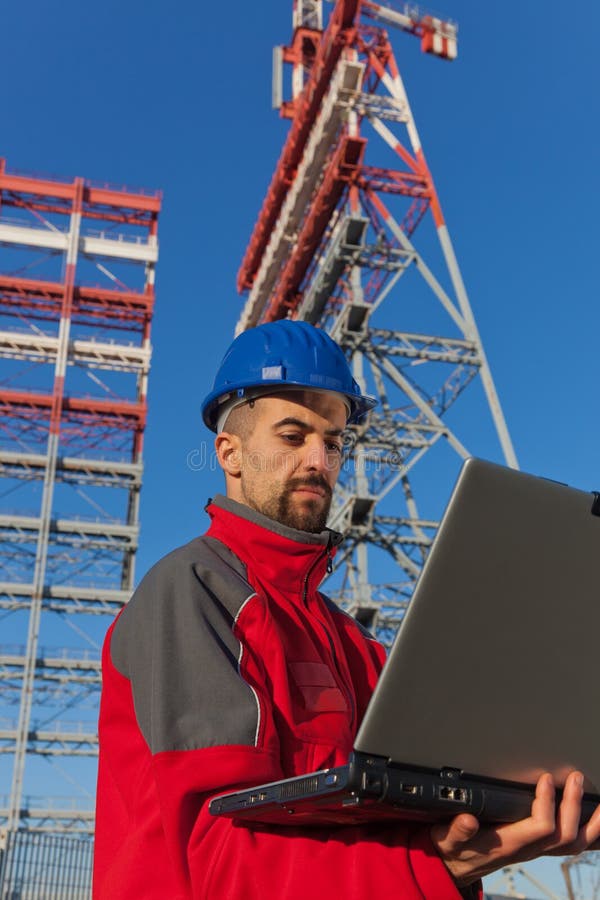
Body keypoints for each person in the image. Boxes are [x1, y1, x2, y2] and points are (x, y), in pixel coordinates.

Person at [93, 320, 600, 899]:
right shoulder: (193, 593)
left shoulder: (356, 646)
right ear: (230, 454)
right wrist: (431, 868)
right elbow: (220, 861)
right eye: (292, 436)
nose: (319, 459)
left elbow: (393, 825)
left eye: (333, 442)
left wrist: (504, 815)